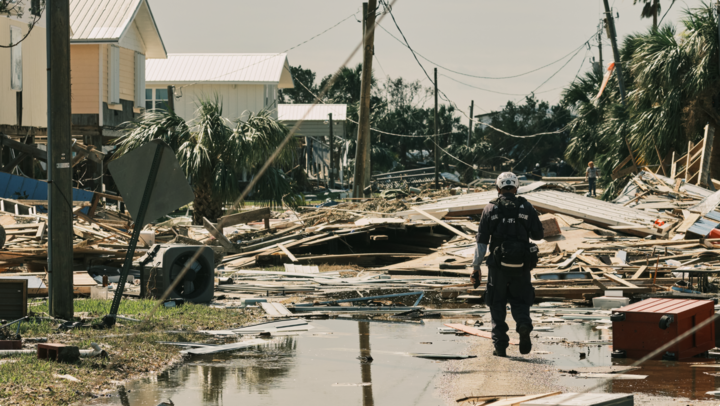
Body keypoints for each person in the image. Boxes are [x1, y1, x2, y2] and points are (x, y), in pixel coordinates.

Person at [470, 172, 544, 357]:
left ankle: (500, 346)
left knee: (497, 303)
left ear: (498, 188)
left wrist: (476, 267)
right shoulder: (527, 207)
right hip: (522, 265)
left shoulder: (489, 209)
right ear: (516, 187)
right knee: (520, 300)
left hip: (497, 266)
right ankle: (523, 325)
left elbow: (482, 242)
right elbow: (538, 235)